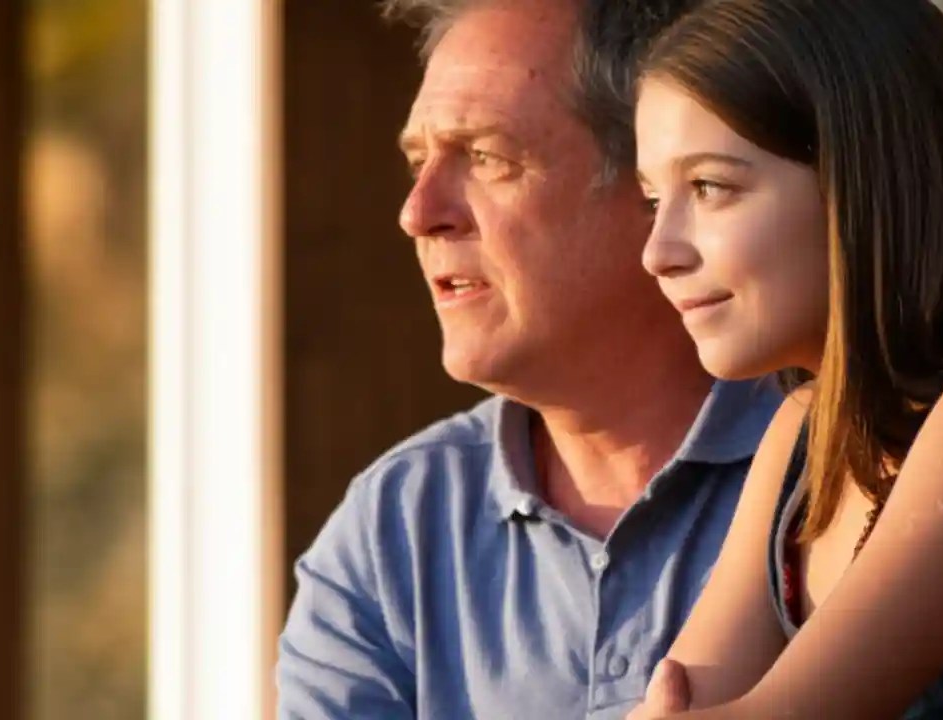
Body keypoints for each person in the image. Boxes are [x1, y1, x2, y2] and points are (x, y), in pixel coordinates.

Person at [275, 0, 781, 718]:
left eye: (485, 157)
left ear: (656, 185)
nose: (418, 213)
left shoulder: (845, 470)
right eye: (418, 162)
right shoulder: (395, 531)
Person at [630, 0, 943, 717]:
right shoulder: (805, 430)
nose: (658, 252)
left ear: (866, 178)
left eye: (708, 187)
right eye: (652, 200)